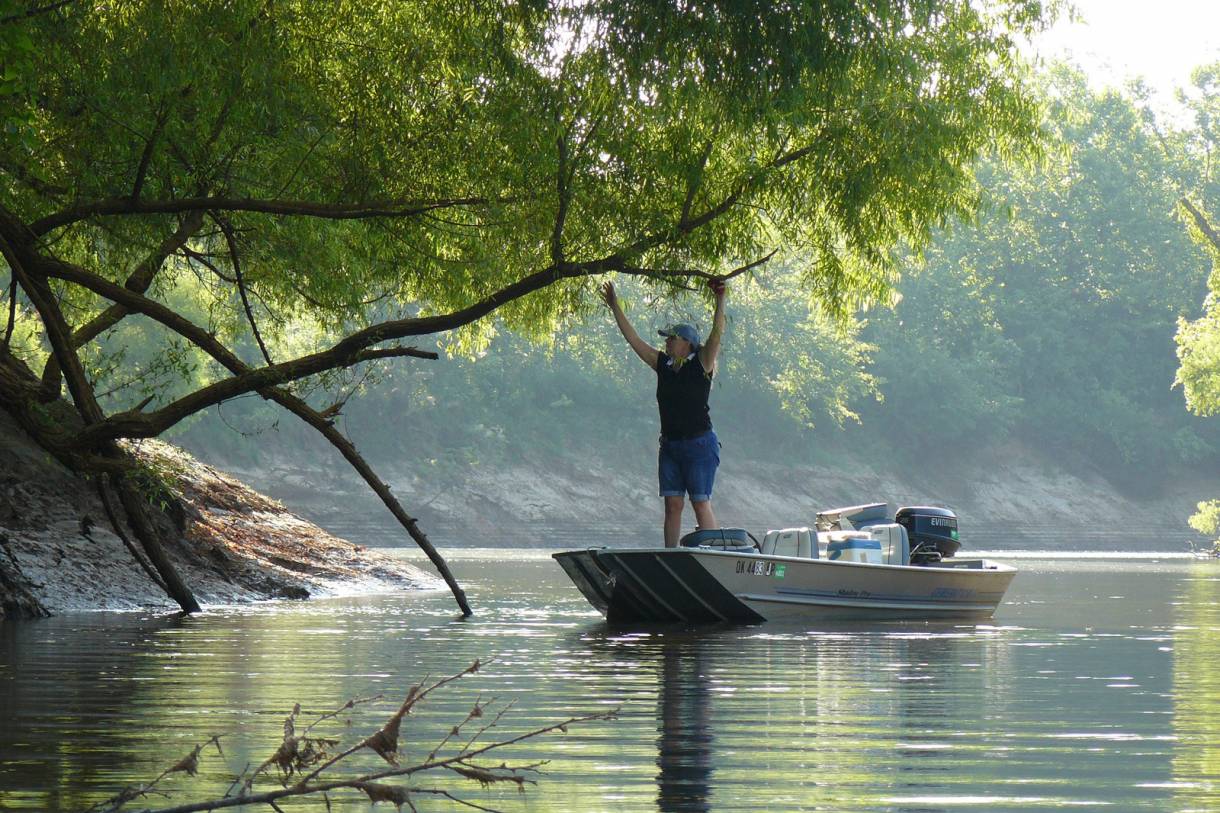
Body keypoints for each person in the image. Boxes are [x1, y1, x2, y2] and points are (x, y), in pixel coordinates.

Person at [600, 278, 727, 547]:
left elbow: (716, 335)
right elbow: (633, 339)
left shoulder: (702, 364)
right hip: (670, 446)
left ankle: (715, 555)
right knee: (672, 505)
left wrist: (720, 299)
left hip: (700, 444)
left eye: (672, 338)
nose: (667, 342)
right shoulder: (663, 365)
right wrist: (614, 306)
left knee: (700, 502)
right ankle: (671, 556)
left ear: (687, 344)